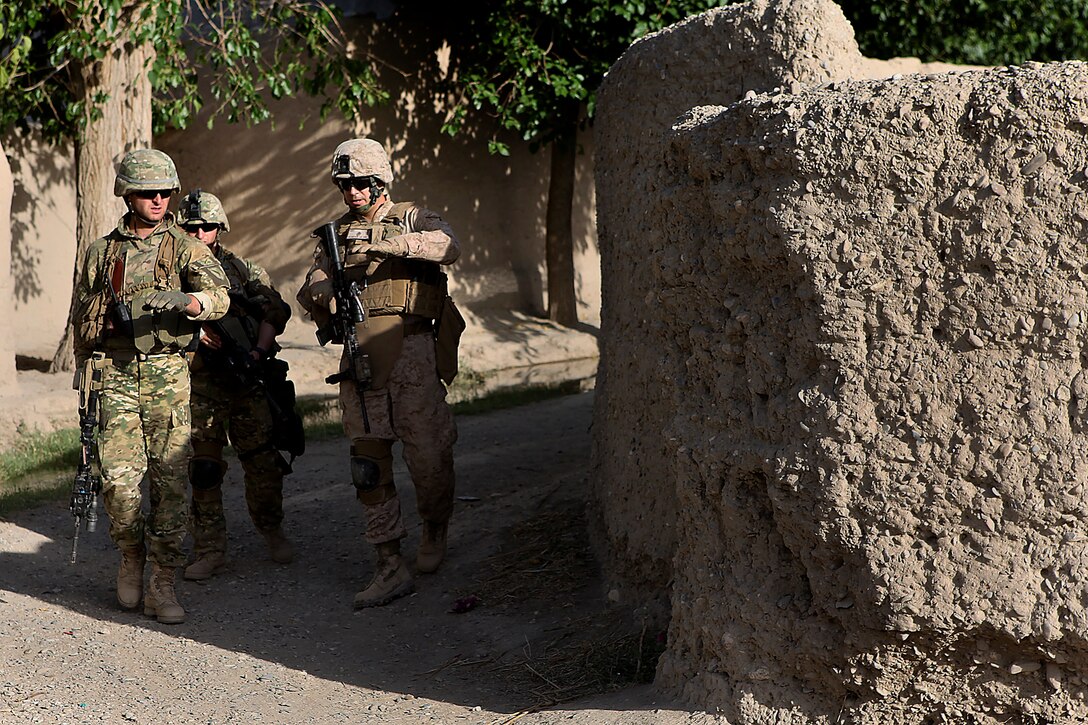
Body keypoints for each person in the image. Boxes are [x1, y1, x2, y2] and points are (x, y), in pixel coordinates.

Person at [297, 137, 461, 608]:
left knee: (429, 458)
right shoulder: (334, 235)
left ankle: (434, 526)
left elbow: (448, 245)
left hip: (412, 350)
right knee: (368, 464)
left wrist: (391, 244)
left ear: (381, 181)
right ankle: (389, 564)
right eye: (345, 185)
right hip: (360, 352)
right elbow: (314, 278)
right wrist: (325, 295)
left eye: (361, 184)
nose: (353, 193)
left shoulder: (414, 217)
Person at [72, 148, 230, 624]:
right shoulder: (102, 251)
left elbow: (221, 296)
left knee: (170, 481)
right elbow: (81, 316)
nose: (159, 199)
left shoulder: (184, 246)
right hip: (115, 374)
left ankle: (163, 580)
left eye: (165, 192)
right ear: (128, 194)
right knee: (118, 483)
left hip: (166, 375)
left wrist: (190, 301)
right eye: (149, 192)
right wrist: (84, 377)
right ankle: (131, 556)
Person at [177, 189, 296, 581]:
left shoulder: (243, 270)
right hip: (200, 383)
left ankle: (271, 528)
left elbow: (274, 308)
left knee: (263, 461)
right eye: (191, 226)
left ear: (220, 228)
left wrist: (258, 352)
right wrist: (196, 338)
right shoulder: (170, 271)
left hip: (246, 378)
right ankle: (210, 549)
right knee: (205, 469)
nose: (199, 232)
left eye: (207, 226)